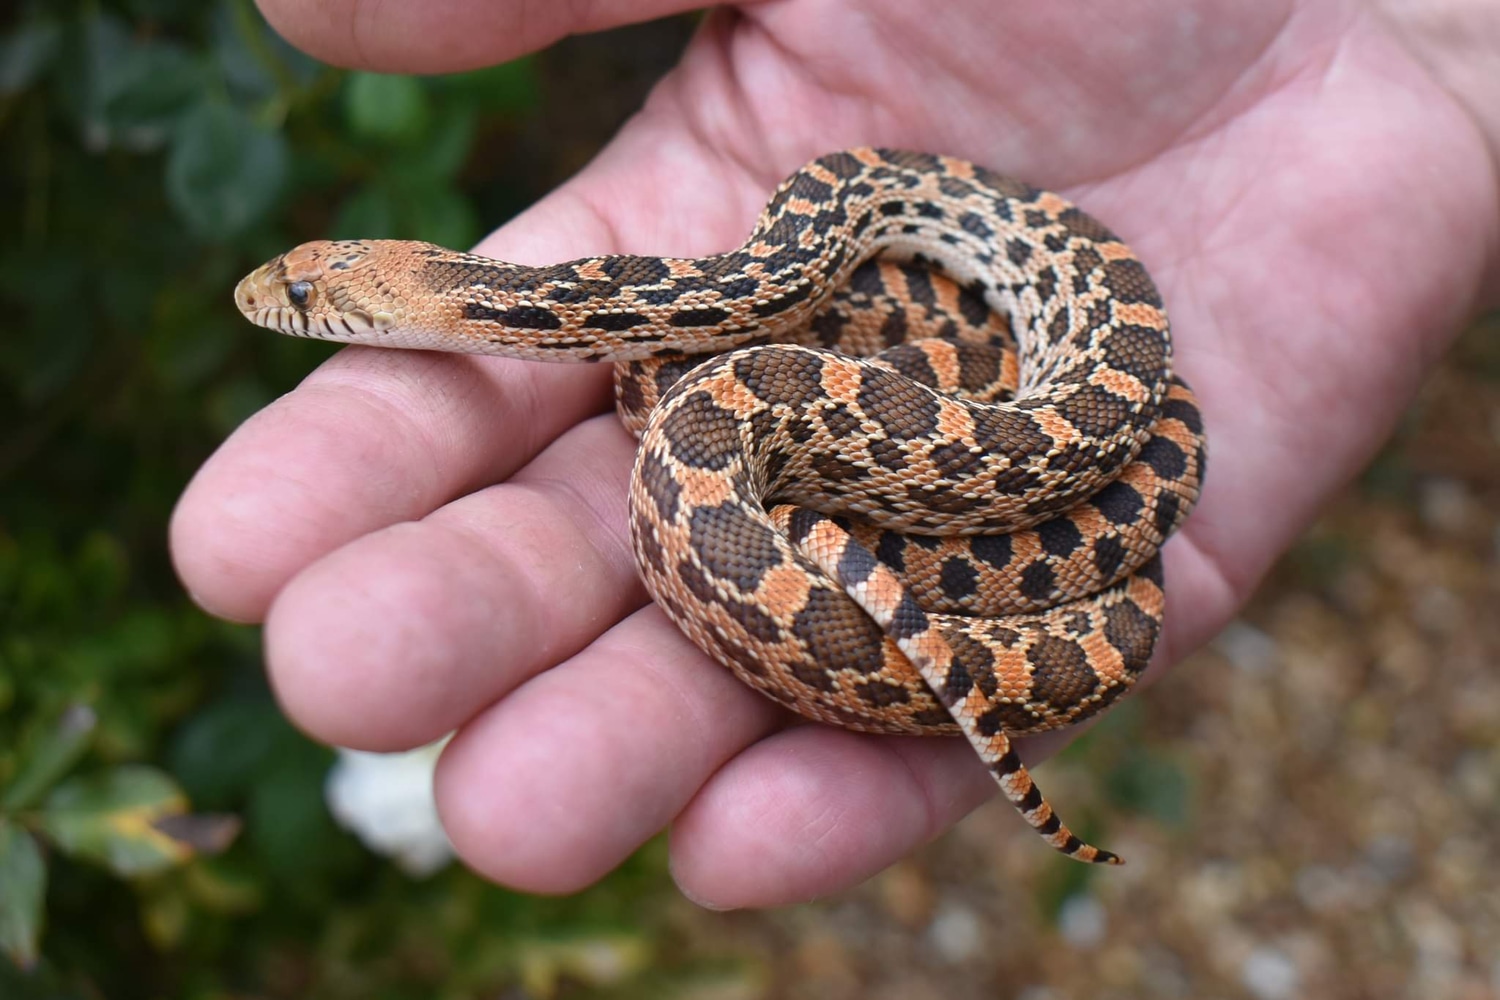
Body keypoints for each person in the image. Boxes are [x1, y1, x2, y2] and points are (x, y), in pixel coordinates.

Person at [171, 0, 1499, 908]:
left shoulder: (823, 233)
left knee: (705, 386)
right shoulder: (647, 317)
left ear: (402, 291)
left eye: (312, 297)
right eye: (311, 296)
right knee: (678, 383)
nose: (293, 302)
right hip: (904, 420)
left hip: (1031, 402)